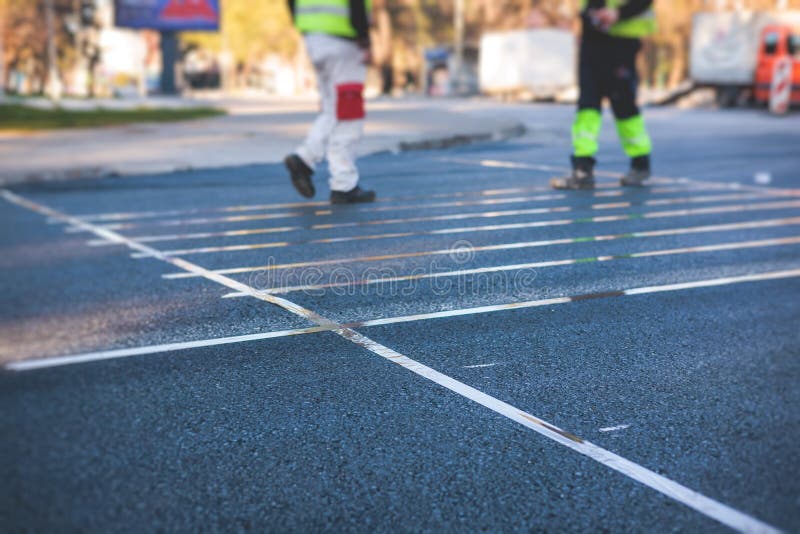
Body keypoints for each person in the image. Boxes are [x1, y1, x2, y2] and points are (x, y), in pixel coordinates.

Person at [551, 0, 655, 190]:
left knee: (623, 105)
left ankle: (640, 163)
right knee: (587, 105)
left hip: (621, 40)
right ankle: (582, 168)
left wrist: (619, 13)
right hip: (592, 40)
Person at [284, 0, 377, 204]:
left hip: (314, 38)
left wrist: (303, 27)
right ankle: (344, 184)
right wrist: (364, 37)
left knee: (332, 109)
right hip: (343, 41)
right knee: (349, 113)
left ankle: (305, 158)